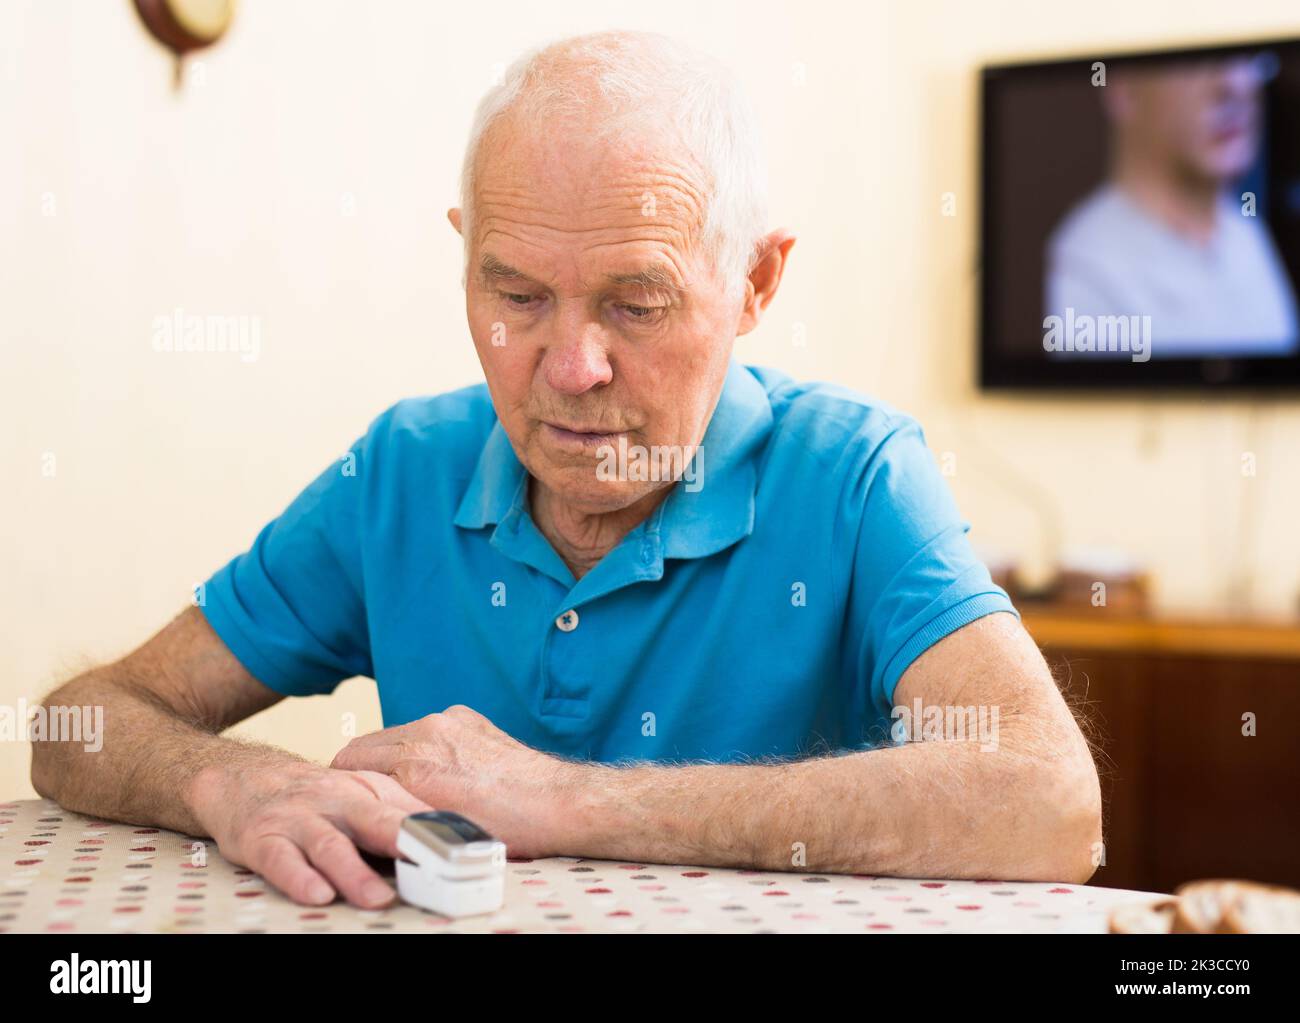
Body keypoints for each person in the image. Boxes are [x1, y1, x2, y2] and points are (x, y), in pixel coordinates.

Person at [33, 30, 1101, 909]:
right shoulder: (403, 469)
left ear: (754, 282)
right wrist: (231, 782)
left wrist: (564, 803)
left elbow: (1048, 803)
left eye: (637, 303)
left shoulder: (854, 475)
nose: (572, 370)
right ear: (468, 257)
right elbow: (83, 722)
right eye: (517, 296)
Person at [1046, 53, 1298, 356]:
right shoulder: (1086, 269)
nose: (1235, 83)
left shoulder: (1245, 232)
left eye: (1248, 59)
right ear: (1123, 90)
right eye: (1197, 58)